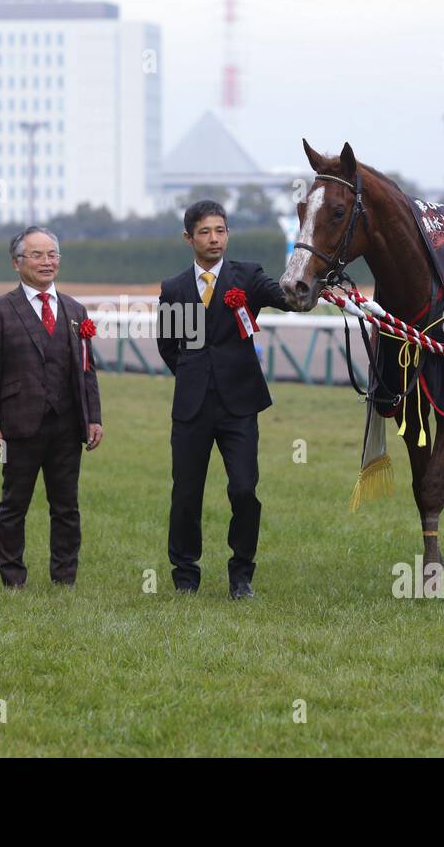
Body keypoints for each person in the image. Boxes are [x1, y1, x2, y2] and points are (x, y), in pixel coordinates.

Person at [156, 200, 292, 598]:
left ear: (228, 233)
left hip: (240, 406)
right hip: (192, 409)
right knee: (186, 494)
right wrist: (196, 376)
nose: (214, 238)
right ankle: (185, 575)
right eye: (204, 232)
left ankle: (241, 575)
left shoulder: (248, 277)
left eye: (220, 230)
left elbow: (286, 298)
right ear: (188, 238)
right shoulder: (175, 288)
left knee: (244, 490)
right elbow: (169, 347)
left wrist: (312, 282)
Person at [0, 227, 103, 589]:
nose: (47, 261)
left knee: (66, 506)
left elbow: (86, 369)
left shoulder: (76, 310)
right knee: (14, 503)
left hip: (66, 425)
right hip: (18, 426)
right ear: (17, 263)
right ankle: (13, 577)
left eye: (52, 254)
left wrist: (93, 417)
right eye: (37, 255)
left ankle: (64, 577)